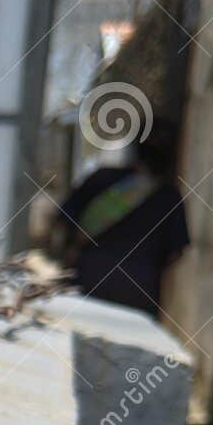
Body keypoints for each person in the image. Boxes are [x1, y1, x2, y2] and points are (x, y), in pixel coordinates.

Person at [56, 122, 190, 316]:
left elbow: (62, 220)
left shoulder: (101, 178)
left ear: (135, 148)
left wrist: (67, 255)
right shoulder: (170, 197)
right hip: (139, 293)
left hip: (88, 283)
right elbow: (176, 252)